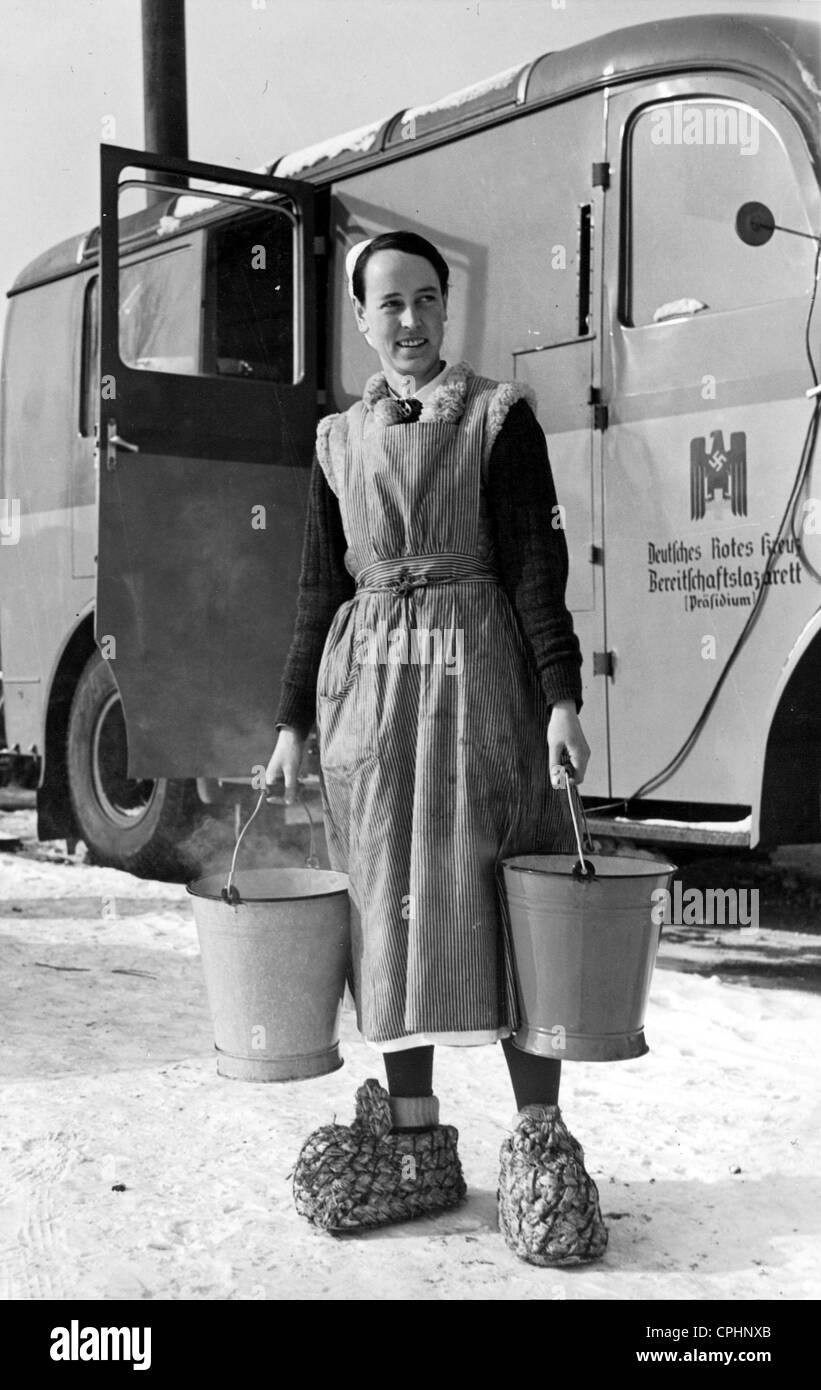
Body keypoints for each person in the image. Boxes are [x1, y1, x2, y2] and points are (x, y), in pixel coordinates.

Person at [265, 230, 607, 1266]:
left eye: (425, 301)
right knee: (385, 899)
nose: (407, 322)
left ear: (444, 309)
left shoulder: (500, 419)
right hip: (368, 693)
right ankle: (412, 1138)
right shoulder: (334, 441)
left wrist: (559, 699)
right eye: (388, 305)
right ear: (360, 319)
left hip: (480, 687)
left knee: (499, 895)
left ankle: (539, 1140)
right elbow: (316, 589)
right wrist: (291, 722)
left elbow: (535, 570)